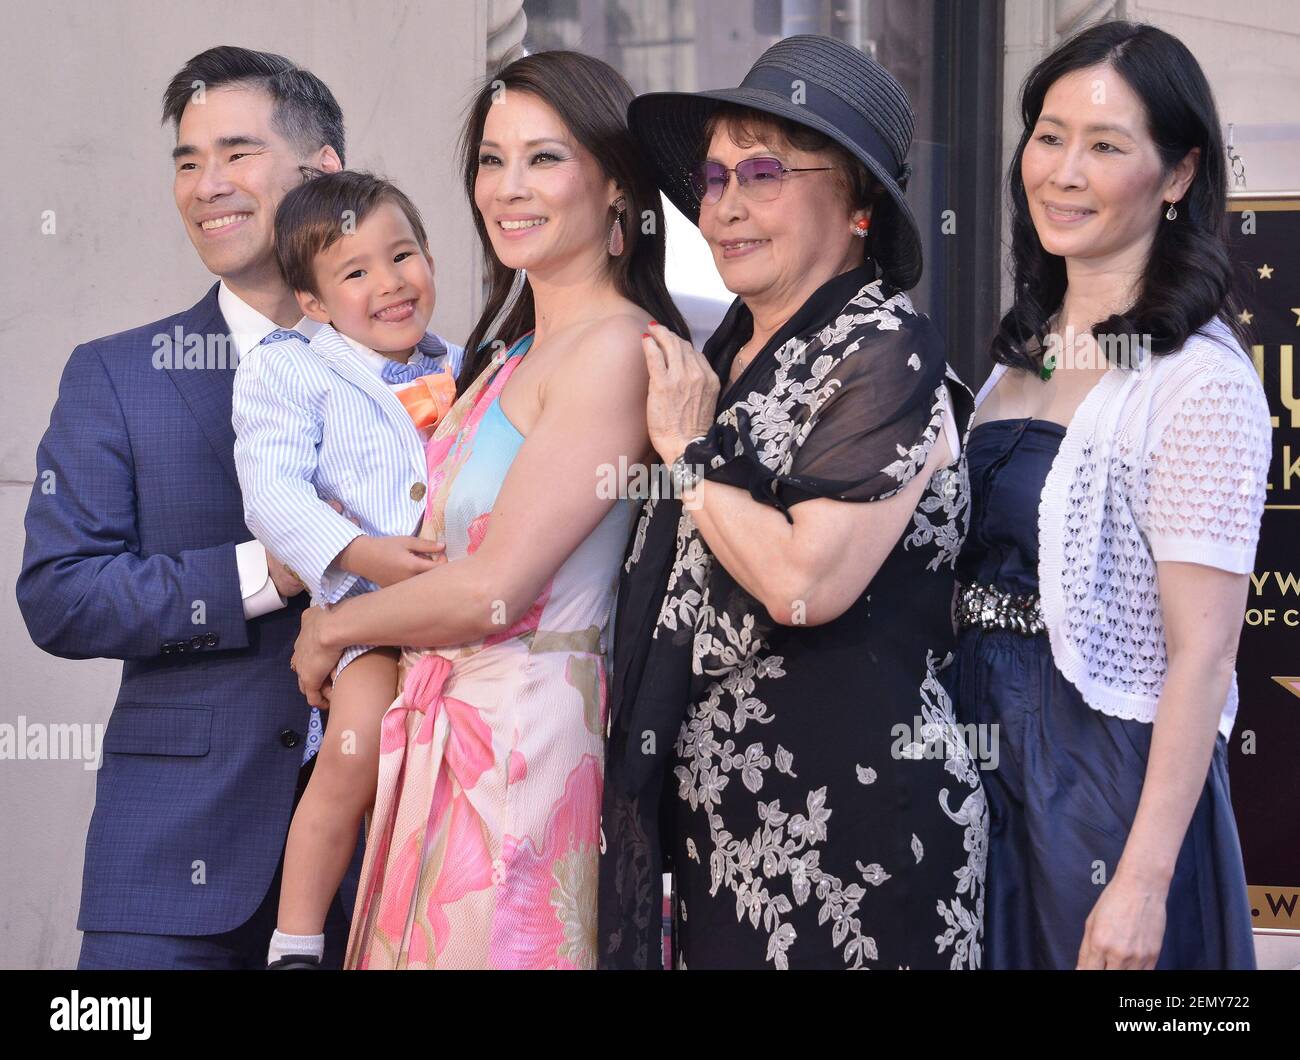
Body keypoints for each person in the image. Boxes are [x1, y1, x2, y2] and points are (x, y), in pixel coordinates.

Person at [286, 50, 690, 969]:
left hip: (526, 741)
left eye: (544, 159)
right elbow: (440, 562)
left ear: (618, 186)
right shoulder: (506, 356)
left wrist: (331, 628)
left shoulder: (617, 349)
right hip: (446, 733)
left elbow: (496, 591)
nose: (509, 188)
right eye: (492, 160)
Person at [598, 34, 986, 970]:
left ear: (856, 202)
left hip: (857, 830)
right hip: (720, 826)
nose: (723, 206)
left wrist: (692, 453)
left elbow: (802, 583)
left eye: (763, 172)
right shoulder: (721, 349)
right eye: (713, 176)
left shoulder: (884, 347)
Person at [15, 46, 365, 968]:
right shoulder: (117, 376)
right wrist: (271, 567)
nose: (207, 185)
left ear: (323, 171)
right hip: (170, 867)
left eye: (237, 153)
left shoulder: (425, 370)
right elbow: (61, 594)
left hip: (387, 857)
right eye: (186, 160)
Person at [951, 20, 1267, 970]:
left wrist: (1140, 883)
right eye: (1049, 136)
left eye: (1106, 145)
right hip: (979, 773)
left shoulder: (1196, 381)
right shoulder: (1012, 366)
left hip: (1099, 793)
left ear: (1178, 176)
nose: (1064, 171)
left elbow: (1204, 658)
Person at [231, 170, 466, 968]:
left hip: (469, 621)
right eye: (356, 272)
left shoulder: (472, 365)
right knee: (357, 746)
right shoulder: (290, 368)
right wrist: (360, 554)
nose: (391, 283)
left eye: (404, 256)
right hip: (368, 615)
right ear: (317, 304)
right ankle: (296, 940)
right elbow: (271, 494)